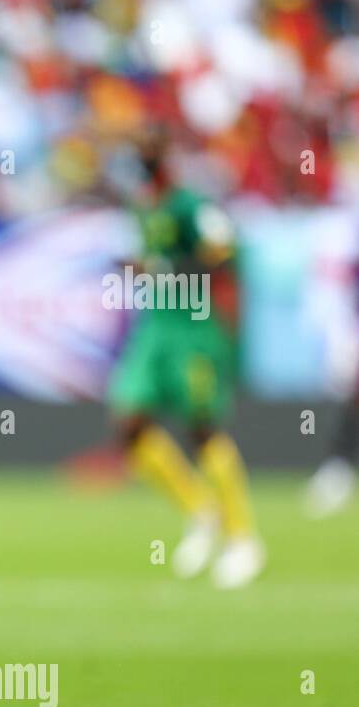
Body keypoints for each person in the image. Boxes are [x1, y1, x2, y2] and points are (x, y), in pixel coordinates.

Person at [108, 137, 265, 588]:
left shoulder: (192, 206)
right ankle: (201, 509)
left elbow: (224, 255)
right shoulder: (141, 210)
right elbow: (148, 263)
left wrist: (167, 271)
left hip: (194, 326)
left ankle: (243, 538)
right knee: (129, 423)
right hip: (156, 327)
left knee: (202, 428)